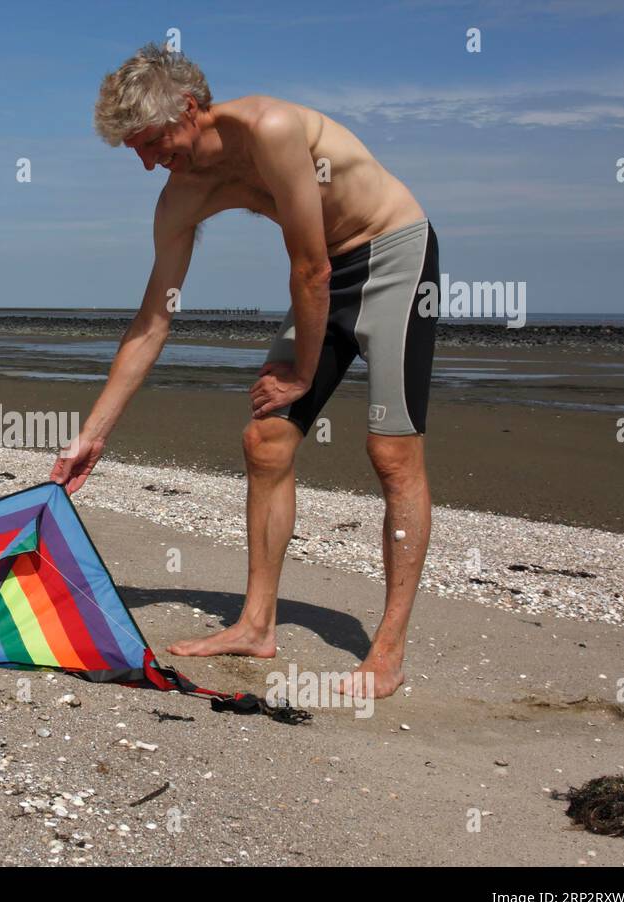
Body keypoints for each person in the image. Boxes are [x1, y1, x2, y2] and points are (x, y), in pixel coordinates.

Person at [50, 43, 440, 698]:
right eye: (134, 151)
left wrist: (298, 374)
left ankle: (388, 655)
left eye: (150, 142)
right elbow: (153, 322)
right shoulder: (181, 196)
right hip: (328, 275)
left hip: (393, 253)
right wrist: (93, 434)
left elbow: (309, 267)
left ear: (191, 110)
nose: (147, 162)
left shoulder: (273, 130)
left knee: (392, 453)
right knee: (267, 440)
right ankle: (256, 624)